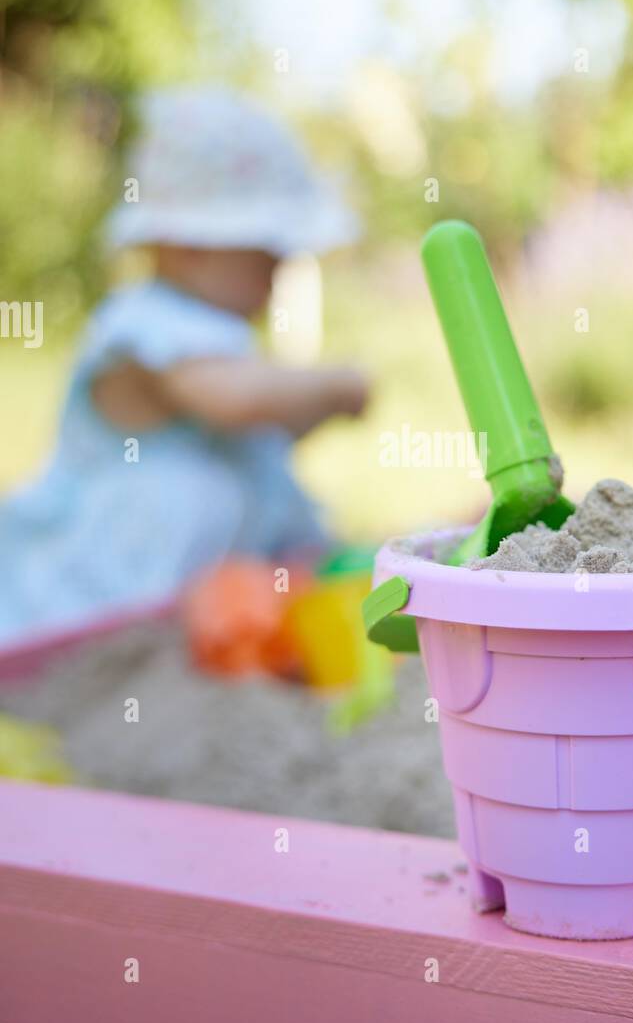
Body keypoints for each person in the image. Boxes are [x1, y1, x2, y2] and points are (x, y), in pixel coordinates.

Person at [0, 87, 368, 644]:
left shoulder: (221, 339)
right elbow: (236, 402)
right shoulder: (144, 324)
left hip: (208, 592)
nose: (280, 271)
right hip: (110, 593)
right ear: (194, 244)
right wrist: (337, 385)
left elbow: (270, 429)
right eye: (267, 255)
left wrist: (312, 414)